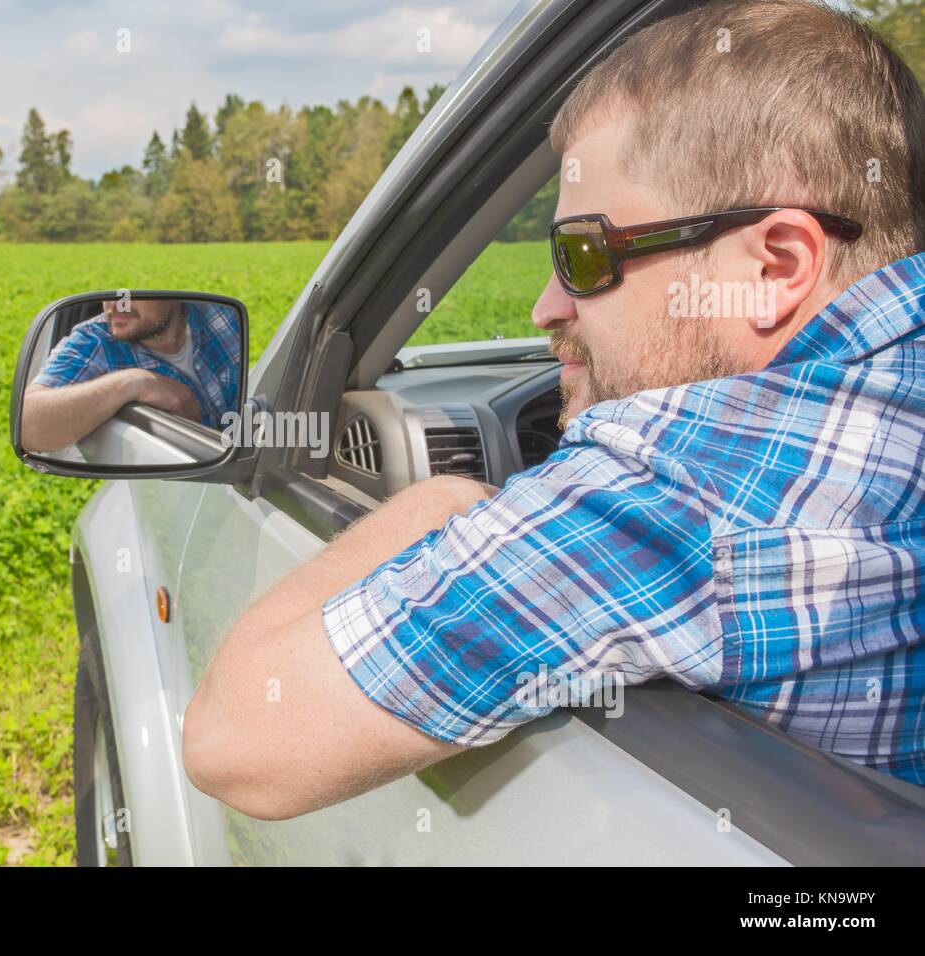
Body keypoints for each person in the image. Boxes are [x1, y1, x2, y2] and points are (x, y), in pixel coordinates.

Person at [182, 0, 925, 820]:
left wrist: (446, 502)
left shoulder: (675, 488)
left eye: (582, 255)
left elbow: (236, 743)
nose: (545, 307)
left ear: (775, 264)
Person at [20, 297, 241, 451]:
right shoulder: (95, 343)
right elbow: (26, 426)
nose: (117, 304)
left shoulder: (220, 313)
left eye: (133, 290)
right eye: (110, 289)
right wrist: (133, 383)